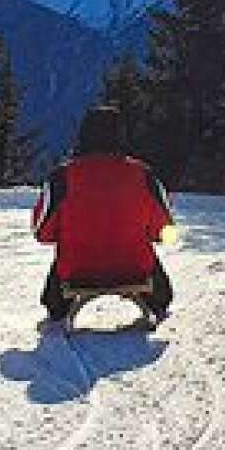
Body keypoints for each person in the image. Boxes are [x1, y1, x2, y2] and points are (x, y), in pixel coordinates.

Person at [31, 104, 175, 321]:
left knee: (53, 300)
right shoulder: (144, 175)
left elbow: (41, 232)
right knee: (163, 295)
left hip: (76, 270)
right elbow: (164, 231)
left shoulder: (61, 178)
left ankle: (59, 308)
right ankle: (155, 302)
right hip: (134, 268)